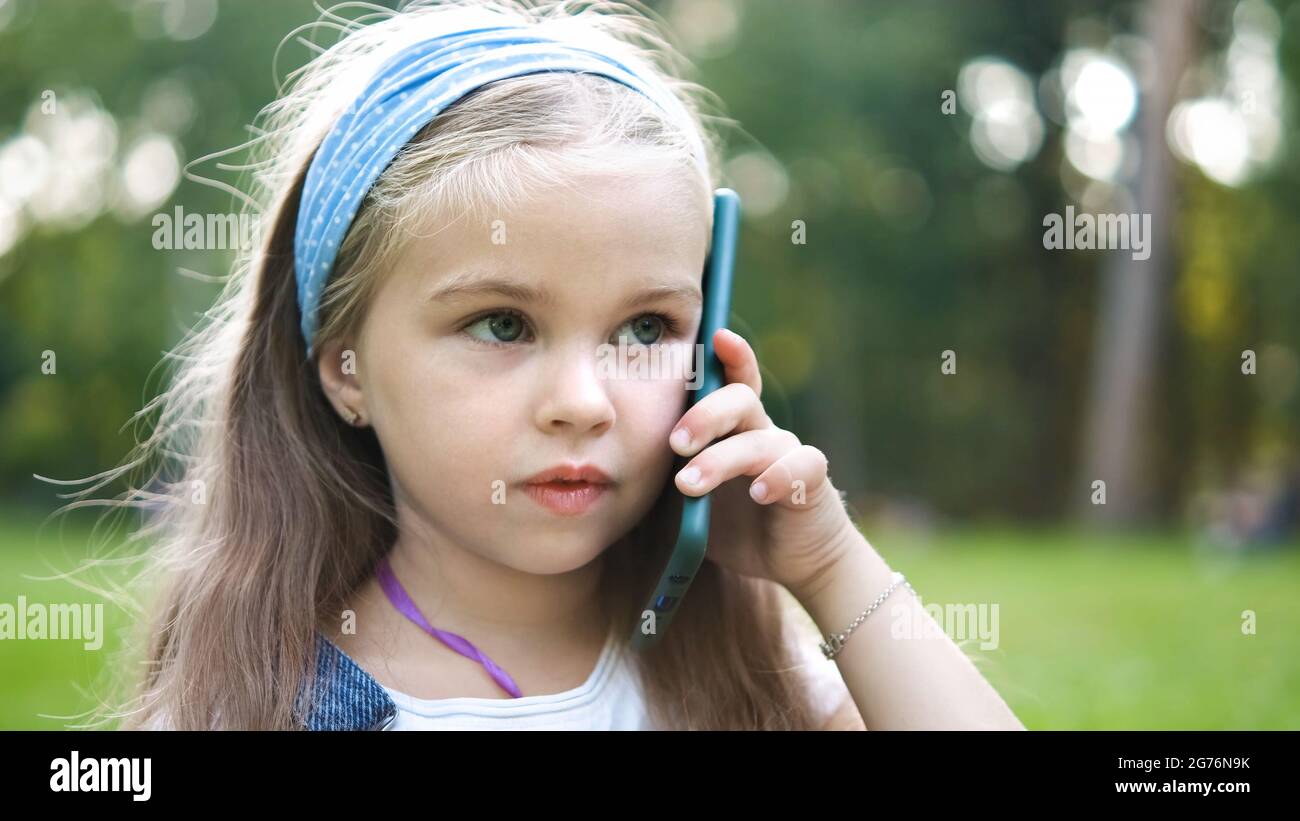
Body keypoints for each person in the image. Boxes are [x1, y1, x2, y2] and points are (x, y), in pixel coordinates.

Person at [98, 0, 1022, 730]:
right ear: (344, 367)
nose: (583, 403)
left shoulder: (743, 664)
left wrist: (830, 569)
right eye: (502, 325)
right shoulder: (253, 705)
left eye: (647, 327)